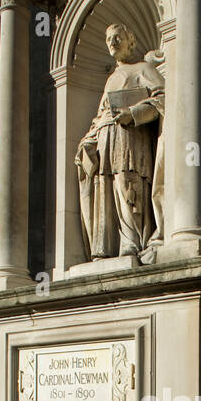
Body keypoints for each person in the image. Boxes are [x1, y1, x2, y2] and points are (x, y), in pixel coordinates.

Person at [75, 23, 165, 264]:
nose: (112, 43)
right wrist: (88, 142)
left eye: (118, 38)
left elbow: (163, 98)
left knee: (129, 184)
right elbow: (100, 116)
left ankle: (133, 242)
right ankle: (105, 247)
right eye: (109, 39)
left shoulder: (143, 68)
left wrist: (133, 114)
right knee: (105, 187)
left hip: (131, 138)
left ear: (131, 41)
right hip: (106, 139)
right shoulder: (111, 78)